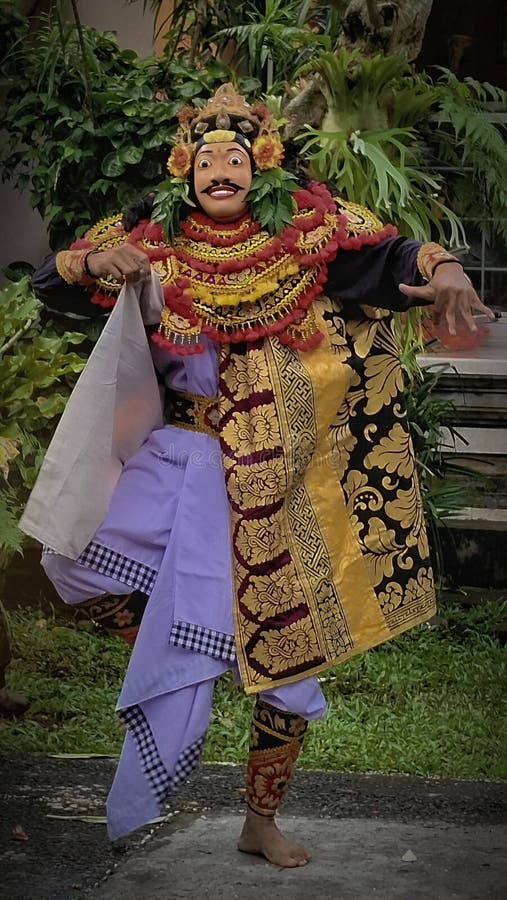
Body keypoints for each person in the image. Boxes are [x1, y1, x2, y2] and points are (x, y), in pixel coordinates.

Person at [22, 84, 493, 868]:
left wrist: (443, 267)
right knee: (66, 555)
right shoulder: (149, 236)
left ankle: (258, 820)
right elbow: (53, 286)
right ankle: (193, 647)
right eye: (204, 155)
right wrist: (92, 260)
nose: (219, 166)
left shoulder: (305, 230)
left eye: (235, 155)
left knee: (289, 665)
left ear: (260, 168)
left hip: (283, 485)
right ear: (184, 169)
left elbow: (393, 255)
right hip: (181, 464)